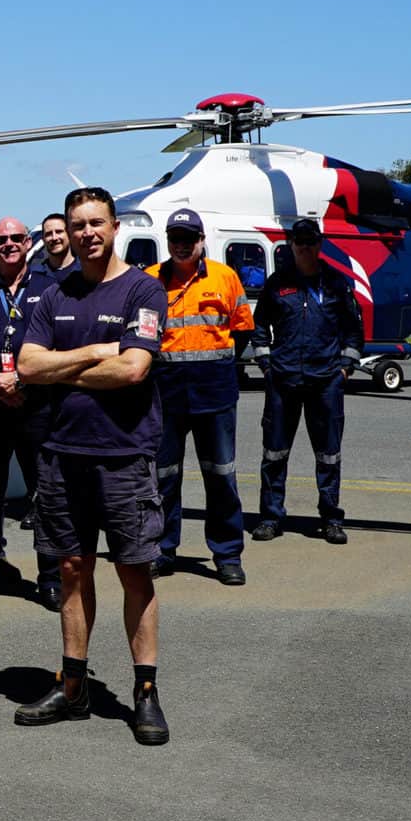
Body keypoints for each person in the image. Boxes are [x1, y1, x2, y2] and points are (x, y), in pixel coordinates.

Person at [14, 186, 170, 746]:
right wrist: (93, 353)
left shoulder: (144, 291)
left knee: (134, 572)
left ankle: (145, 692)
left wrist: (62, 368)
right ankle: (73, 685)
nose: (87, 233)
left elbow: (133, 371)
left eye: (96, 223)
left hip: (123, 456)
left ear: (114, 226)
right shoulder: (54, 293)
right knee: (72, 572)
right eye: (77, 225)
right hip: (62, 456)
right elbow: (27, 366)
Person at [0, 215, 65, 609]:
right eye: (1, 239)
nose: (9, 244)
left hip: (36, 405)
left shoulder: (50, 288)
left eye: (16, 238)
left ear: (29, 243)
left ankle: (51, 579)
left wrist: (22, 382)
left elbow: (58, 346)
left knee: (46, 495)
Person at [152, 208, 255, 585]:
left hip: (214, 394)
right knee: (163, 478)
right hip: (165, 396)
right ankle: (163, 550)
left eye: (187, 238)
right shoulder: (150, 281)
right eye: (174, 238)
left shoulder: (225, 278)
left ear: (201, 241)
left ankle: (227, 554)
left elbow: (242, 330)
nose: (180, 245)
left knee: (221, 476)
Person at [251, 217, 362, 546]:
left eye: (310, 242)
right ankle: (271, 517)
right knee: (274, 454)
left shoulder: (337, 284)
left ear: (319, 243)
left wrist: (345, 367)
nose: (304, 247)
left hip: (325, 381)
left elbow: (354, 330)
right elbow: (260, 328)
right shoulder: (277, 283)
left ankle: (330, 518)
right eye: (299, 242)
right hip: (283, 381)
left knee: (328, 454)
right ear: (292, 245)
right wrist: (266, 365)